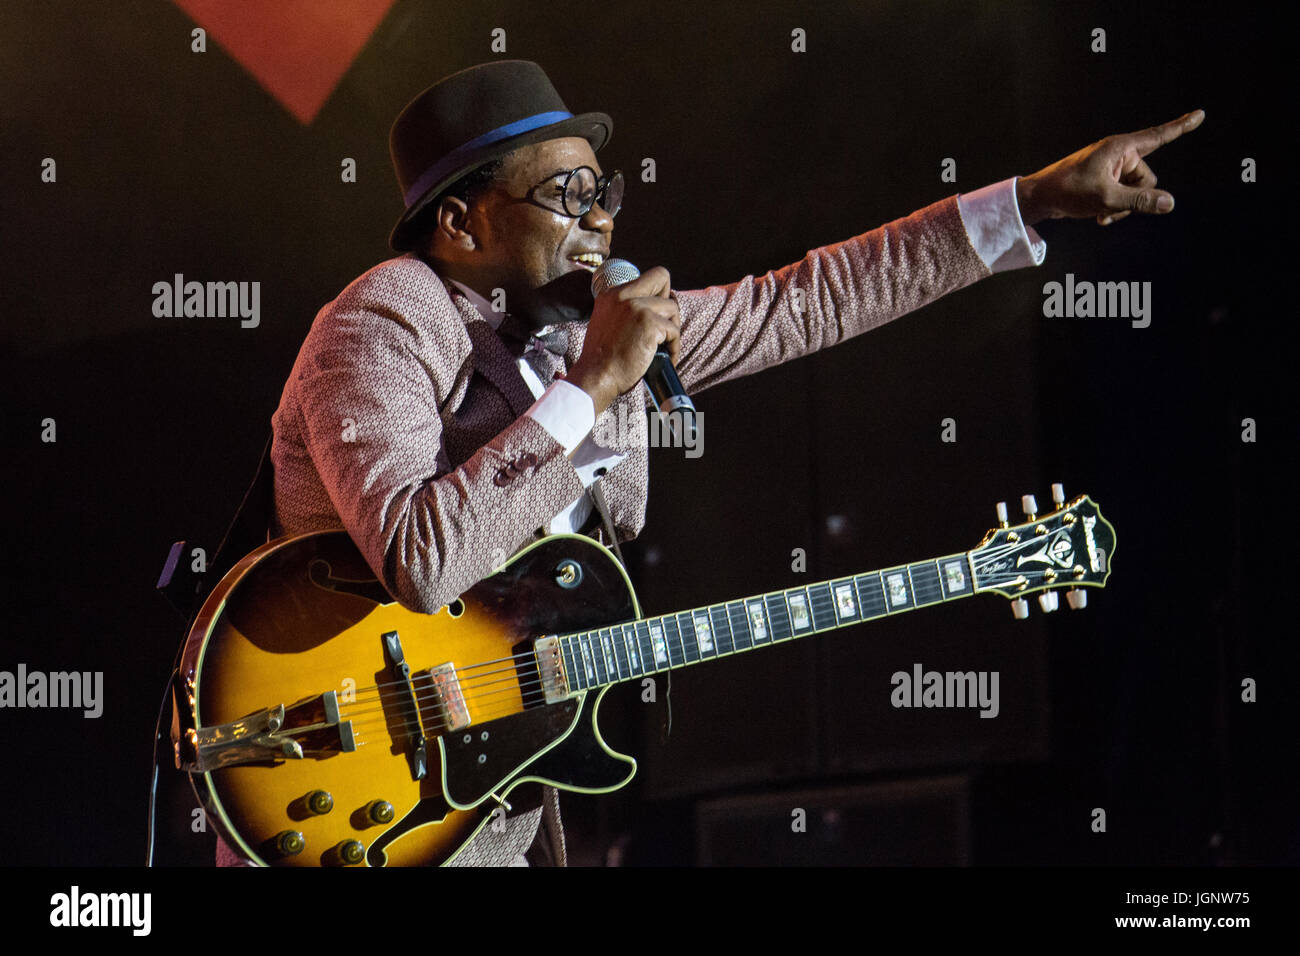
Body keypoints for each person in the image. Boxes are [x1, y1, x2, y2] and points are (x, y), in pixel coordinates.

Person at [218, 60, 1201, 866]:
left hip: (486, 795)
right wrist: (596, 387)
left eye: (600, 192)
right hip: (345, 772)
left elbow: (807, 299)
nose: (600, 218)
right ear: (462, 223)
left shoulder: (582, 333)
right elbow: (419, 559)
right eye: (564, 194)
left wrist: (1029, 201)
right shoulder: (386, 317)